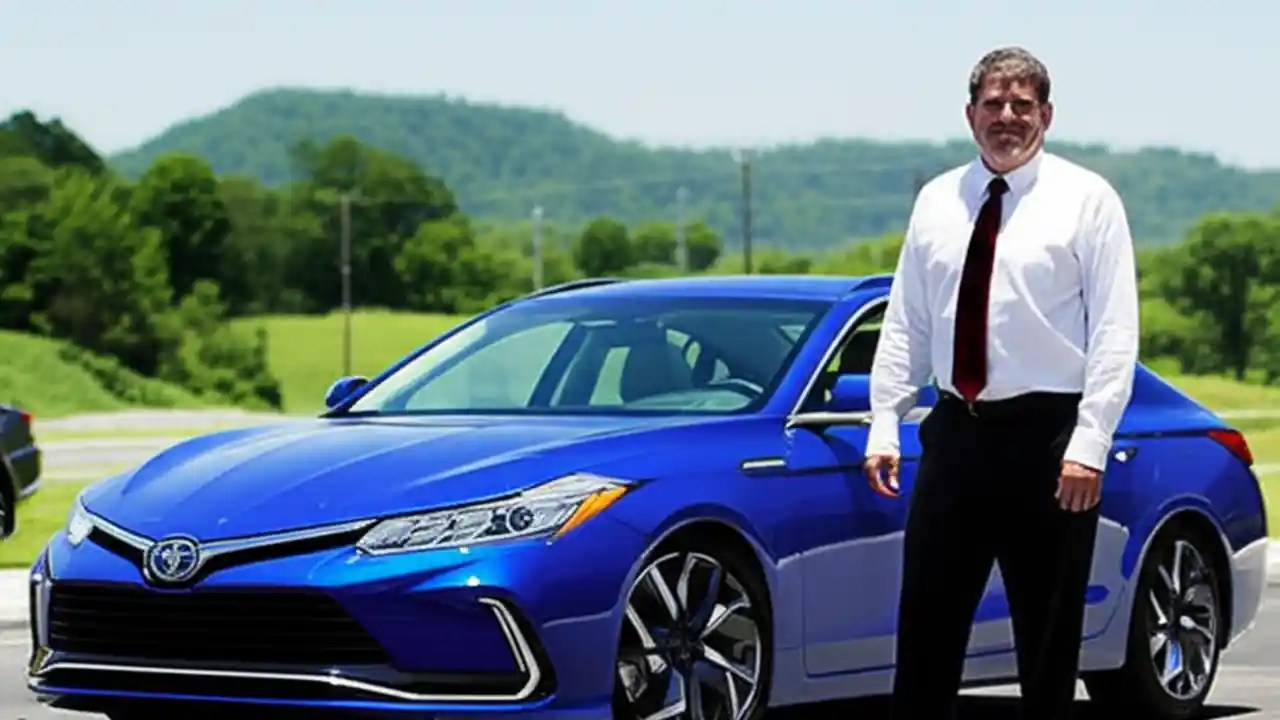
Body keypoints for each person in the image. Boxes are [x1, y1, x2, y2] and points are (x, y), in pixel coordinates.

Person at [862, 46, 1140, 719]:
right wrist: (883, 420)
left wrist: (1090, 441)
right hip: (957, 433)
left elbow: (1115, 330)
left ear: (1046, 113)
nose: (1007, 117)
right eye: (993, 104)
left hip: (1050, 441)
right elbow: (907, 320)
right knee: (926, 624)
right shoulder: (936, 200)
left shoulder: (1087, 199)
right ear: (970, 113)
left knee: (1046, 641)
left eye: (1022, 104)